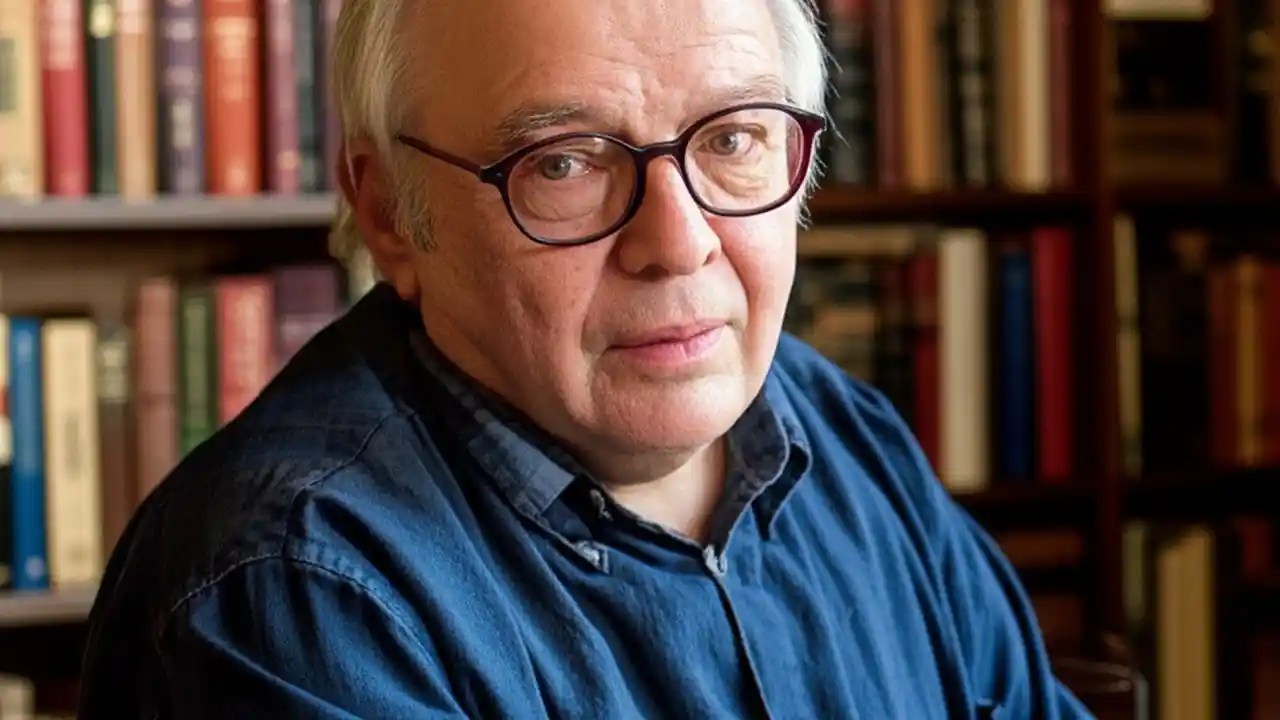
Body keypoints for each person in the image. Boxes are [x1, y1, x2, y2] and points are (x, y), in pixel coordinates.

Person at [79, 0, 1093, 717]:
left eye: (733, 139)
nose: (678, 242)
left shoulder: (842, 434)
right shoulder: (299, 592)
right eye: (563, 162)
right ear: (390, 214)